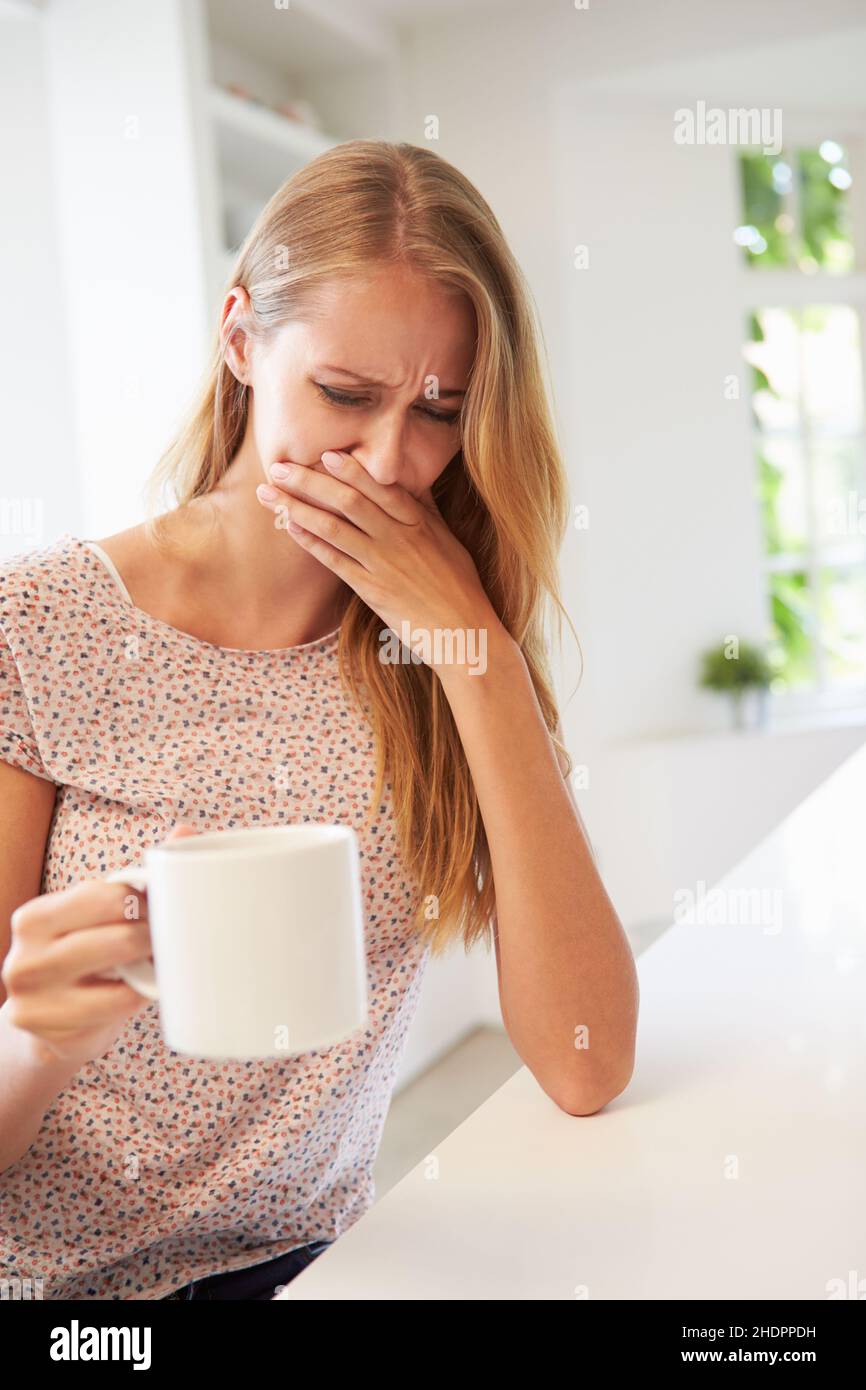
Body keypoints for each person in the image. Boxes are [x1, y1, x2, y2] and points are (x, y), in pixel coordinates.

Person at [0, 140, 638, 1301]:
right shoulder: (35, 625)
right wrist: (35, 1042)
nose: (391, 462)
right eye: (344, 395)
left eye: (440, 410)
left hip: (318, 1266)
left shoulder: (441, 647)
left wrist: (477, 655)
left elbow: (585, 1064)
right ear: (242, 341)